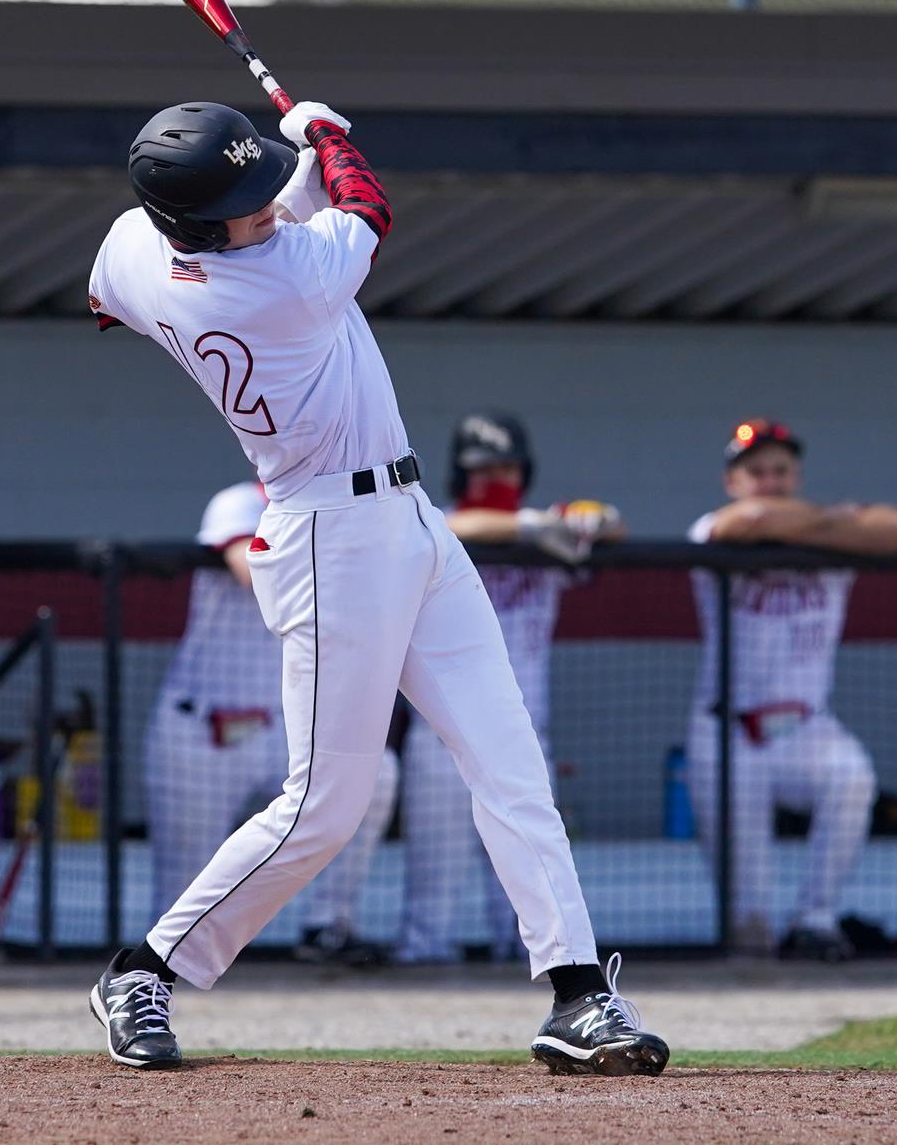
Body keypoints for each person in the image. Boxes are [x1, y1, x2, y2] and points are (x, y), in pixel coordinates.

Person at [84, 98, 666, 1075]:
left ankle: (577, 993)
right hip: (326, 534)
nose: (265, 203)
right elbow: (366, 207)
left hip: (408, 518)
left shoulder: (133, 249)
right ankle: (142, 969)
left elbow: (111, 299)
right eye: (242, 197)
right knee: (324, 803)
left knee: (509, 764)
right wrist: (323, 136)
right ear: (193, 224)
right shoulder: (287, 283)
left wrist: (278, 172)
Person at [397, 411, 623, 964]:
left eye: (506, 466)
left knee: (524, 878)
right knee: (436, 878)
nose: (496, 476)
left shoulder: (549, 532)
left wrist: (593, 519)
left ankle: (530, 982)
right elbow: (458, 526)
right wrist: (529, 528)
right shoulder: (439, 525)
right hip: (439, 733)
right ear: (459, 473)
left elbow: (612, 528)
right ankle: (419, 992)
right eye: (483, 468)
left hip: (523, 730)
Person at [685, 418, 897, 961]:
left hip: (805, 727)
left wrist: (818, 525)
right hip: (727, 734)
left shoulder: (825, 539)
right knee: (747, 924)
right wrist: (835, 520)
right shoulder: (712, 526)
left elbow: (896, 529)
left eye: (781, 470)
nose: (769, 480)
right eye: (756, 471)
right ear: (732, 482)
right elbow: (749, 522)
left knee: (852, 775)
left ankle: (816, 918)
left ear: (798, 476)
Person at [144, 479, 395, 967]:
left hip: (279, 725)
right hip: (202, 730)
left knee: (375, 772)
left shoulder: (349, 511)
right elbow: (255, 574)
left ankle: (328, 925)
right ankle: (157, 977)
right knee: (180, 895)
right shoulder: (239, 501)